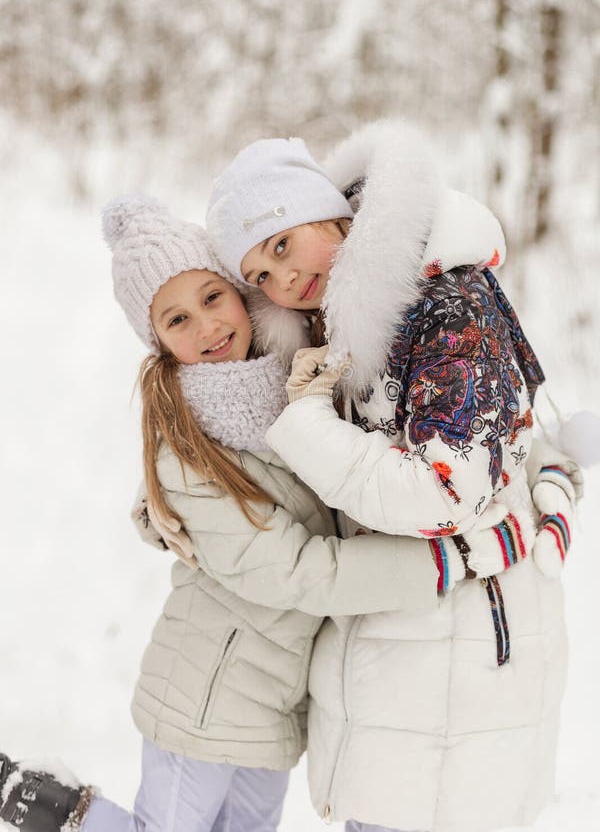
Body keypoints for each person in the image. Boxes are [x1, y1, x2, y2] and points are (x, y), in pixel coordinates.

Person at [0, 195, 531, 832]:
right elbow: (298, 570)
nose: (206, 328)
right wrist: (446, 561)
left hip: (277, 707)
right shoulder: (190, 446)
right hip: (204, 697)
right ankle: (47, 806)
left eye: (212, 298)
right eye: (176, 320)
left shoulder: (295, 382)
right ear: (157, 342)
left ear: (238, 292)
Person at [206, 121, 580, 832]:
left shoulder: (448, 312)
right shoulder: (330, 324)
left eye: (283, 242)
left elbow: (446, 492)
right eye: (258, 273)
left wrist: (308, 420)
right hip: (388, 656)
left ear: (332, 212)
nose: (281, 278)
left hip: (459, 664)